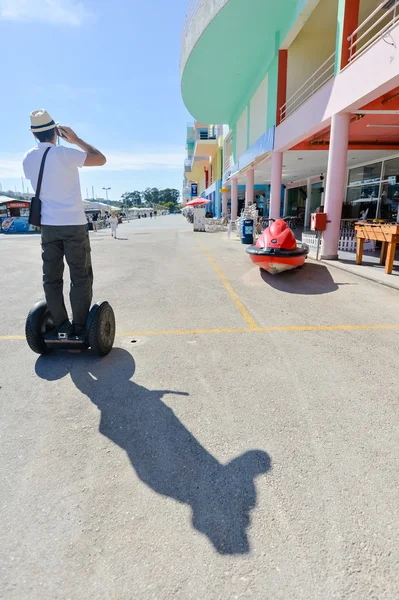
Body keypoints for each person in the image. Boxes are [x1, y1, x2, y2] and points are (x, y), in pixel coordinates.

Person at [23, 109, 106, 336]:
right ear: (56, 132)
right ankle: (80, 327)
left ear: (34, 135)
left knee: (51, 277)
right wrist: (76, 139)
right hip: (73, 224)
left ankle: (60, 325)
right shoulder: (65, 154)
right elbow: (100, 159)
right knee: (80, 275)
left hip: (48, 227)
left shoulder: (28, 158)